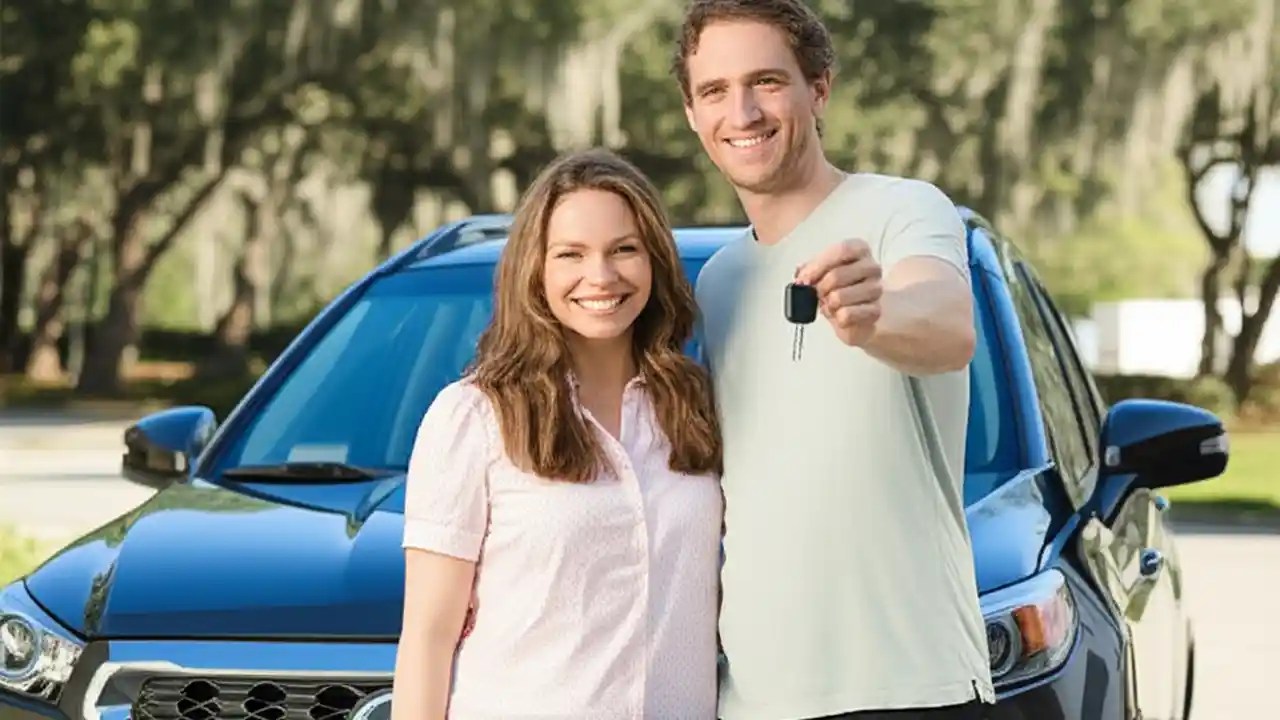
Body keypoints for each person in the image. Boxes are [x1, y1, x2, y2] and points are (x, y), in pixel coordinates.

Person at [673, 1, 995, 719]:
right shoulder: (718, 283)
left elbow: (948, 326)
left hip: (909, 689)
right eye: (716, 91)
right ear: (693, 114)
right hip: (755, 701)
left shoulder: (904, 210)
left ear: (819, 89)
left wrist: (875, 316)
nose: (743, 112)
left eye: (767, 82)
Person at [390, 147, 724, 720]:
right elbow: (427, 639)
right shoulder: (474, 418)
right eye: (572, 254)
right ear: (536, 269)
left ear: (655, 261)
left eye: (624, 249)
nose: (602, 276)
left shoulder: (693, 407)